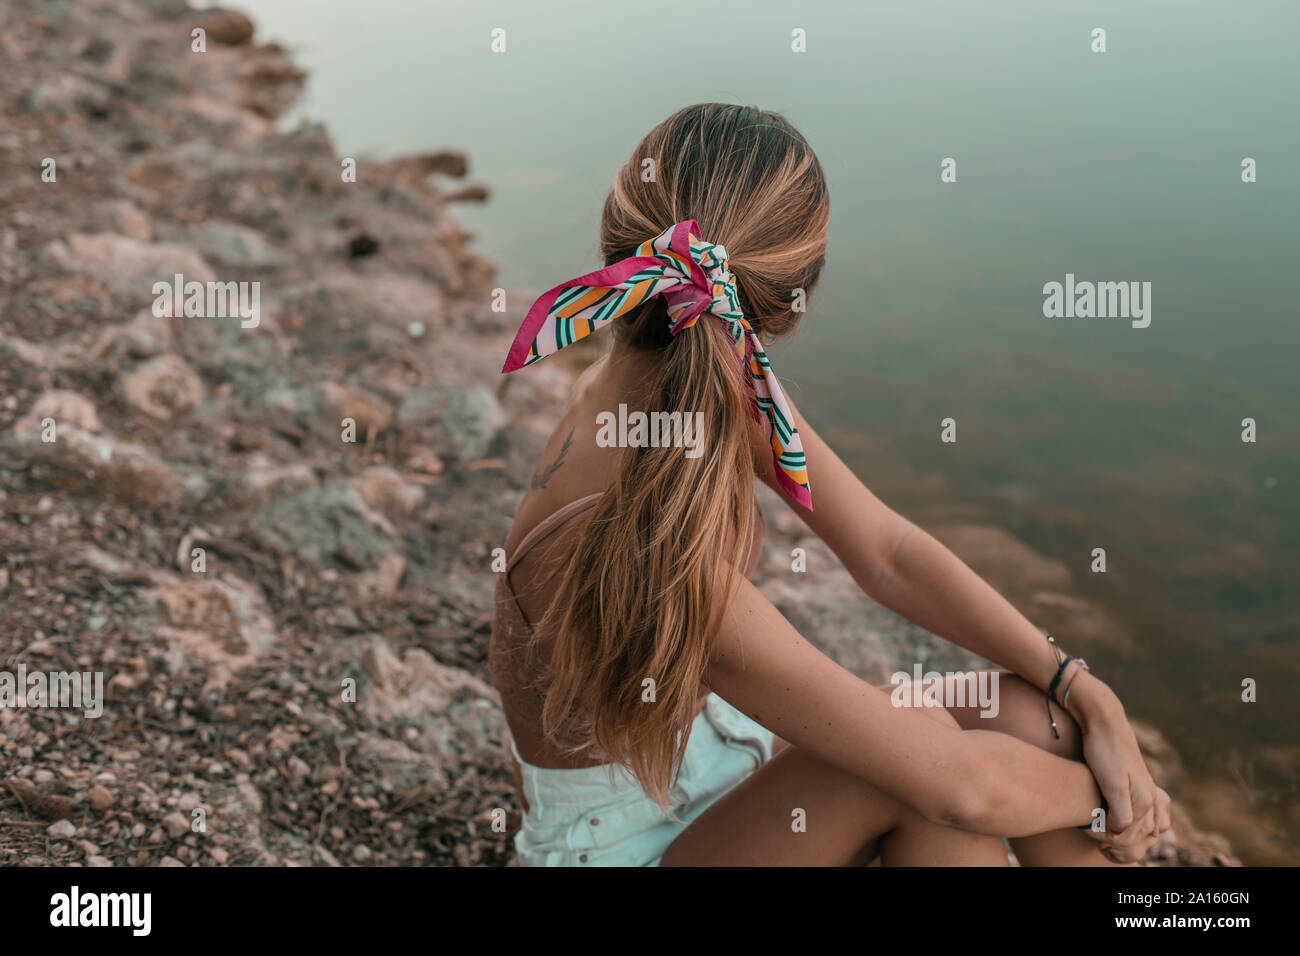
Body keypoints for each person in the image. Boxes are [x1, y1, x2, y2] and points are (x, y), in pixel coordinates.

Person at [489, 103, 1170, 867]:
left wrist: (1083, 689)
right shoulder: (639, 540)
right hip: (615, 849)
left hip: (713, 775)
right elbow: (960, 791)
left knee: (1035, 719)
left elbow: (887, 551)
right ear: (788, 299)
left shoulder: (708, 384)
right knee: (929, 784)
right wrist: (1117, 794)